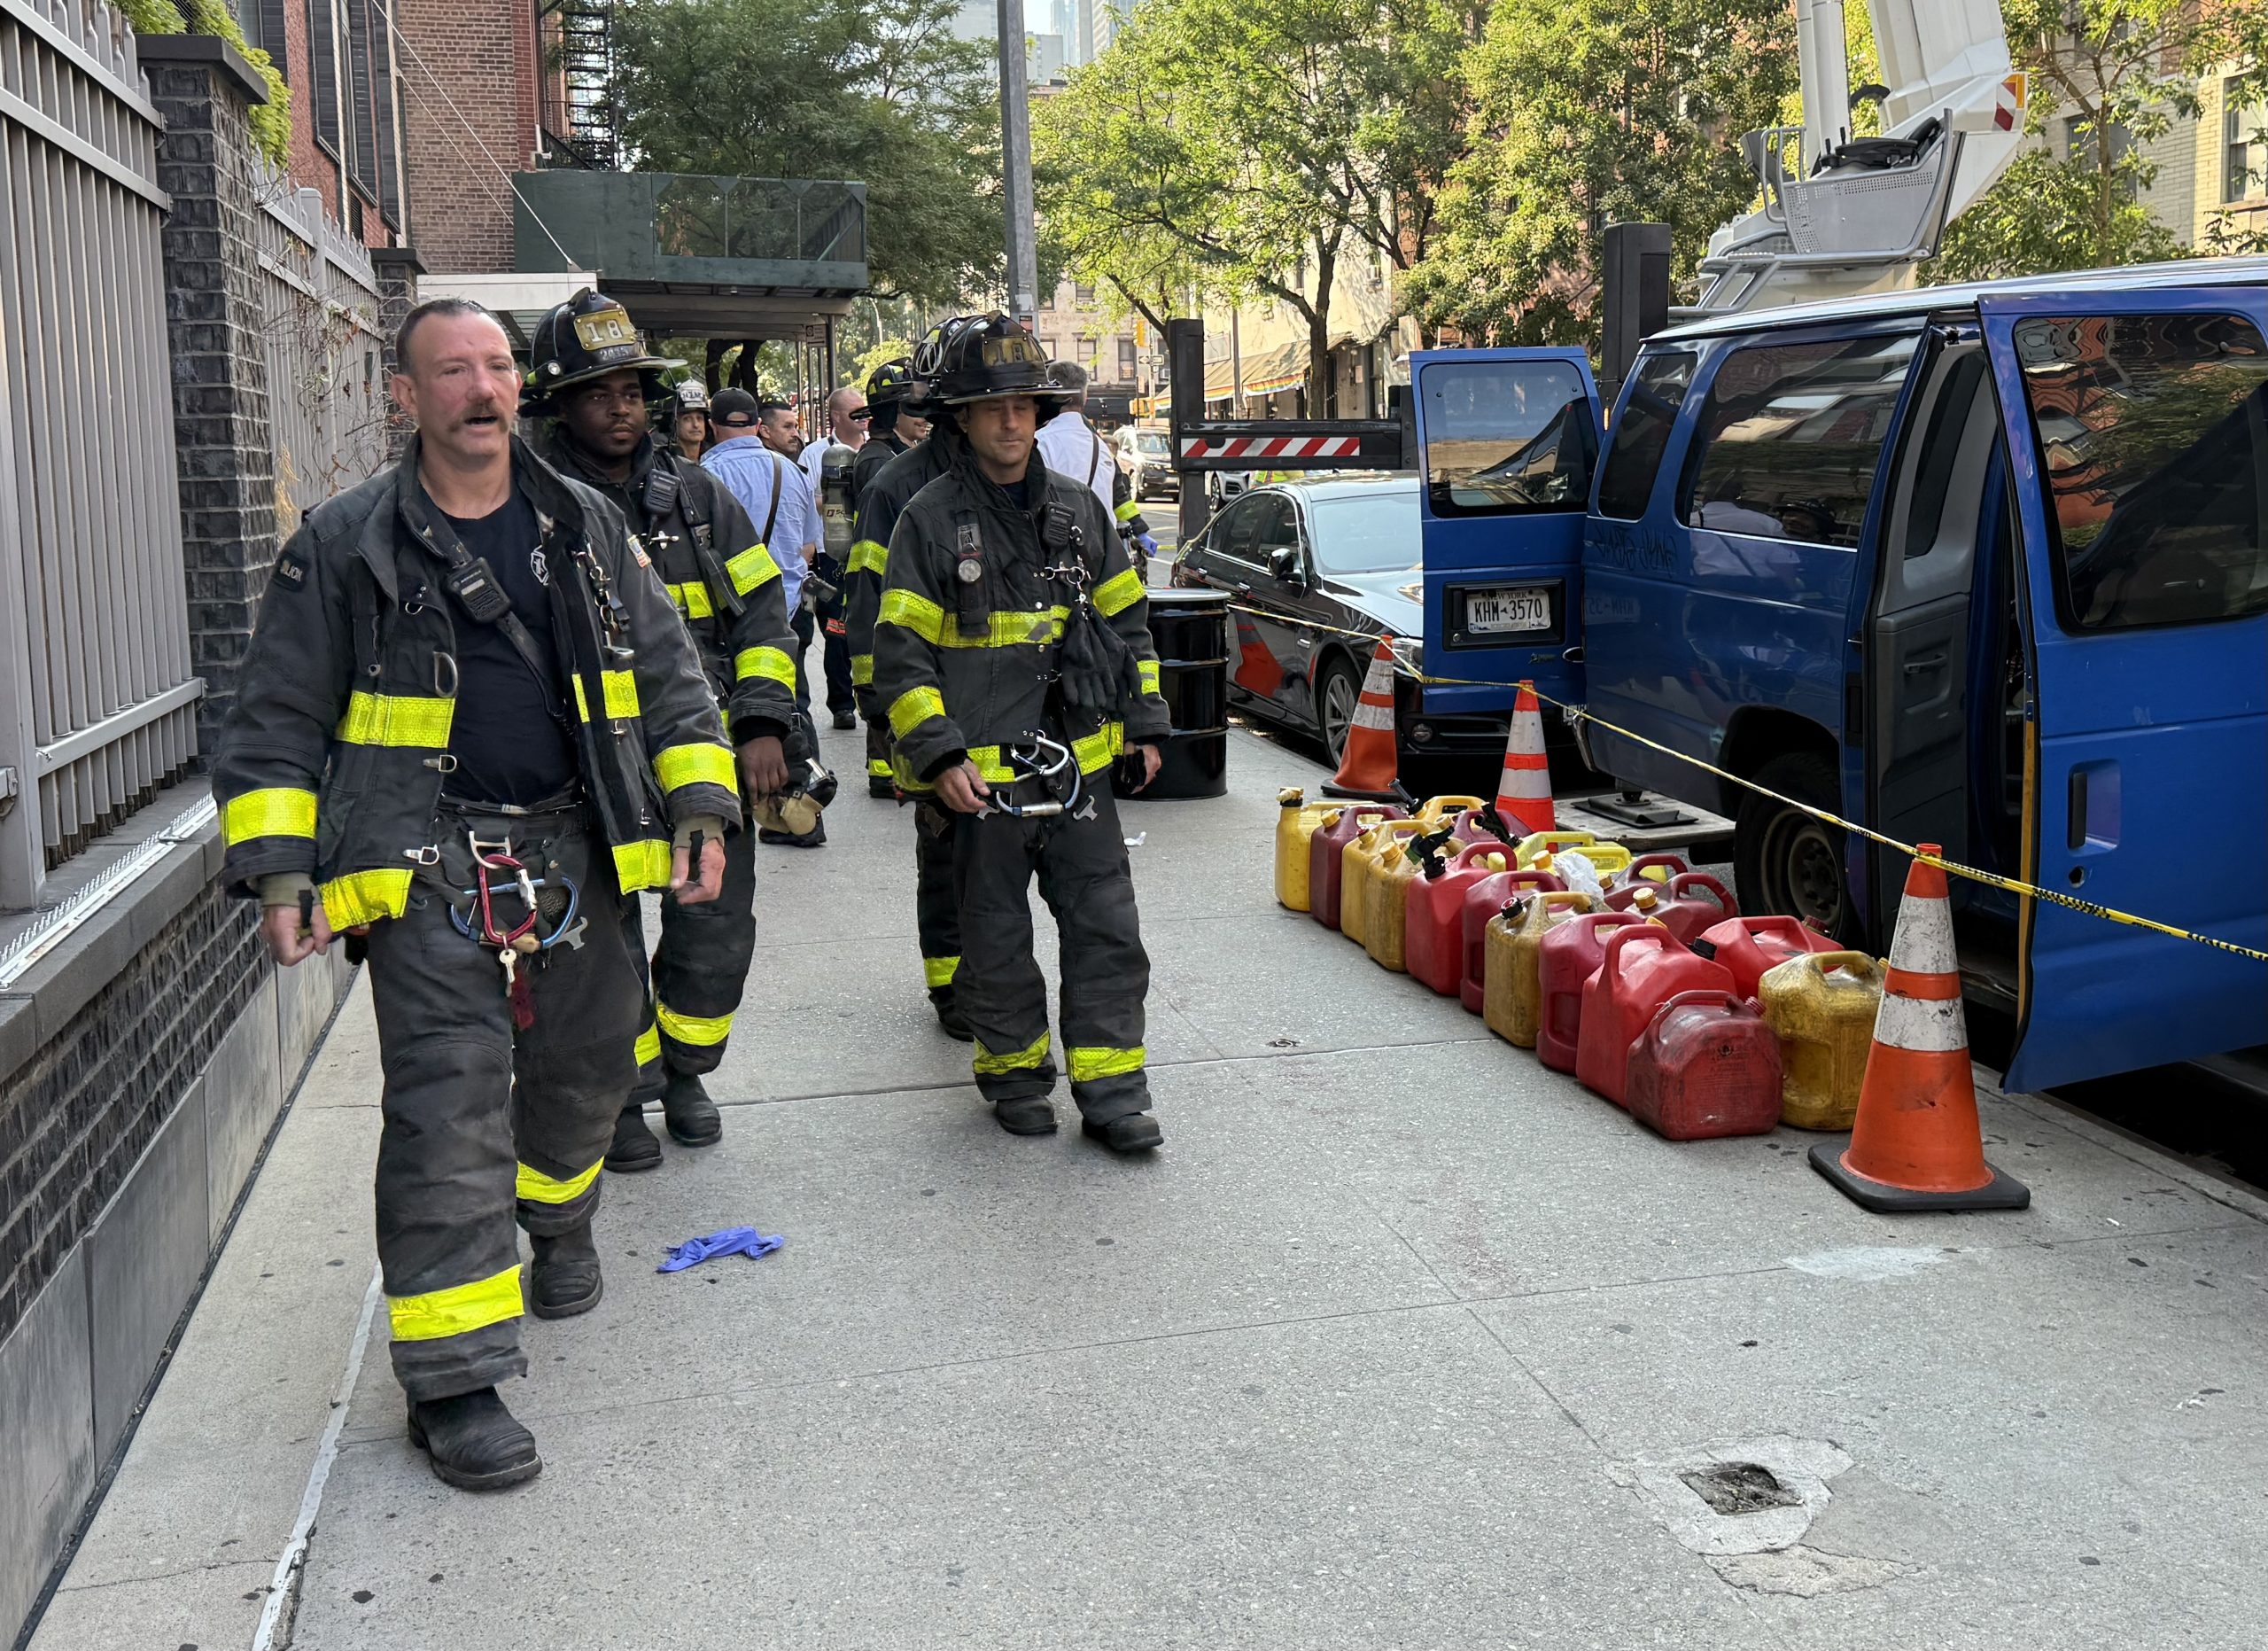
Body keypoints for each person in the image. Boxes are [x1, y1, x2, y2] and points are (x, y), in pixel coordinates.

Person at [214, 299, 737, 1491]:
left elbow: (668, 674)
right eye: (452, 369)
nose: (480, 386)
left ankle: (557, 1219)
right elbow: (277, 720)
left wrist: (700, 803)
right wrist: (283, 867)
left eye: (496, 364)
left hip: (578, 858)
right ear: (406, 395)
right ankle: (454, 1379)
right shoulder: (344, 546)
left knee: (590, 1071)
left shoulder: (585, 523)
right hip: (426, 872)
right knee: (448, 1115)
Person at [871, 315, 1171, 1152]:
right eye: (993, 406)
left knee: (1108, 927)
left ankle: (1112, 1089)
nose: (1011, 422)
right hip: (981, 787)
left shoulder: (1080, 512)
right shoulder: (927, 521)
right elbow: (901, 659)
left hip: (1079, 772)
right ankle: (1014, 1074)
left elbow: (1129, 626)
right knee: (995, 938)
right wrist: (935, 755)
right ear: (960, 417)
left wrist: (1144, 721)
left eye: (1024, 405)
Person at [527, 290, 802, 1174]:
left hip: (695, 763)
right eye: (601, 390)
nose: (622, 407)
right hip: (577, 780)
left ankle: (684, 1071)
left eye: (635, 390)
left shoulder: (694, 498)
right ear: (559, 401)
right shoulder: (522, 507)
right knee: (594, 953)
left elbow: (764, 615)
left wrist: (762, 722)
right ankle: (621, 1096)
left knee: (713, 937)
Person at [843, 336, 967, 1037]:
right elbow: (869, 599)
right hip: (928, 699)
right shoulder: (897, 485)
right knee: (945, 848)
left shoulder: (1020, 475)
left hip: (1010, 705)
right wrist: (881, 713)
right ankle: (951, 986)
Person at [704, 390, 830, 846]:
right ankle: (801, 814)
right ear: (757, 424)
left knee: (738, 712)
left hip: (733, 619)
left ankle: (744, 807)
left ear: (713, 425)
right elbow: (809, 547)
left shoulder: (707, 477)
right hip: (791, 610)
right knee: (793, 707)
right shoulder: (790, 471)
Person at [1036, 361, 1155, 563]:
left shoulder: (1040, 443)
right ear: (1085, 397)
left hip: (1057, 552)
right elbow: (1119, 493)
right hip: (1103, 550)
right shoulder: (1100, 446)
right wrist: (1139, 529)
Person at [668, 379, 713, 463]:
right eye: (687, 419)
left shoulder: (714, 459)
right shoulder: (666, 462)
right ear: (674, 423)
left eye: (699, 418)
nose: (696, 425)